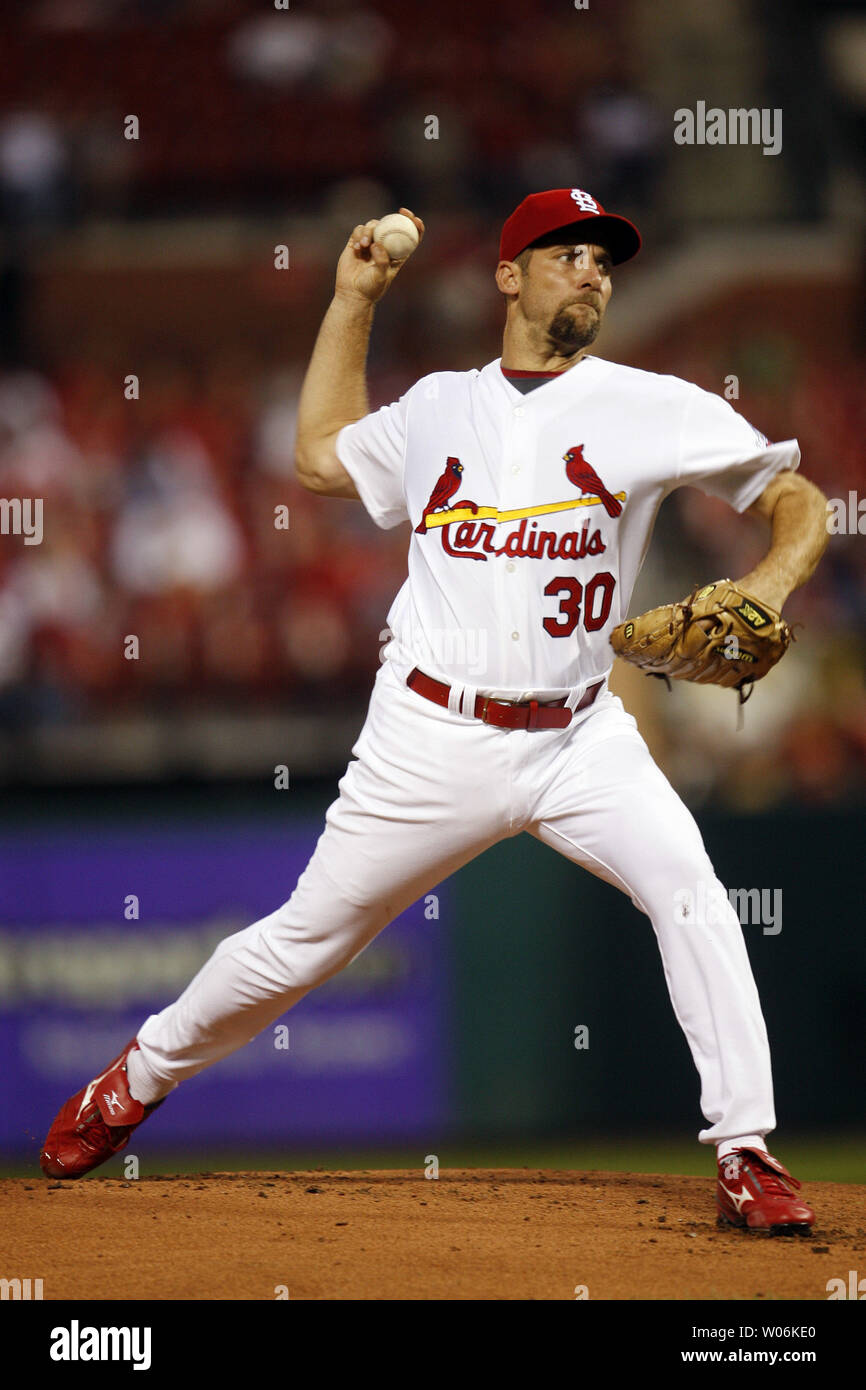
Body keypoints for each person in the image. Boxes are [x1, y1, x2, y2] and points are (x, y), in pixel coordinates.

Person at [41, 189, 828, 1234]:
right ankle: (137, 1077)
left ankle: (743, 1150)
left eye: (602, 257)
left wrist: (769, 583)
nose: (590, 269)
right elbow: (319, 454)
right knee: (304, 942)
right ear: (508, 276)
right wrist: (352, 297)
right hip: (431, 733)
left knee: (689, 888)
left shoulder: (651, 405)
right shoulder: (434, 408)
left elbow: (795, 497)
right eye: (565, 253)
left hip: (580, 735)